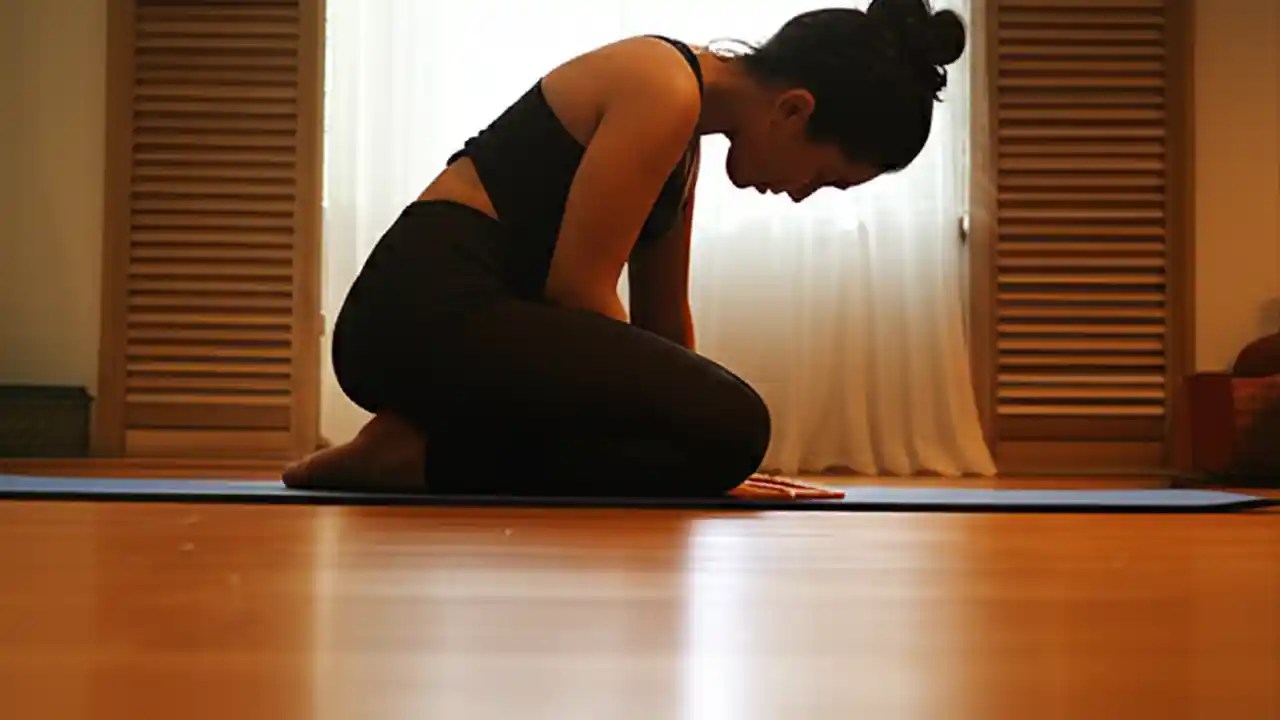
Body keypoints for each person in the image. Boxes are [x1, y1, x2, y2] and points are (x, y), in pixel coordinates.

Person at [283, 0, 967, 498]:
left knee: (724, 432)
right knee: (732, 424)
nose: (801, 195)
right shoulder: (661, 87)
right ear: (793, 111)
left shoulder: (685, 136)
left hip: (477, 329)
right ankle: (402, 461)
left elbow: (663, 323)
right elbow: (578, 294)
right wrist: (696, 427)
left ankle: (415, 450)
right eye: (821, 175)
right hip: (416, 316)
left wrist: (707, 452)